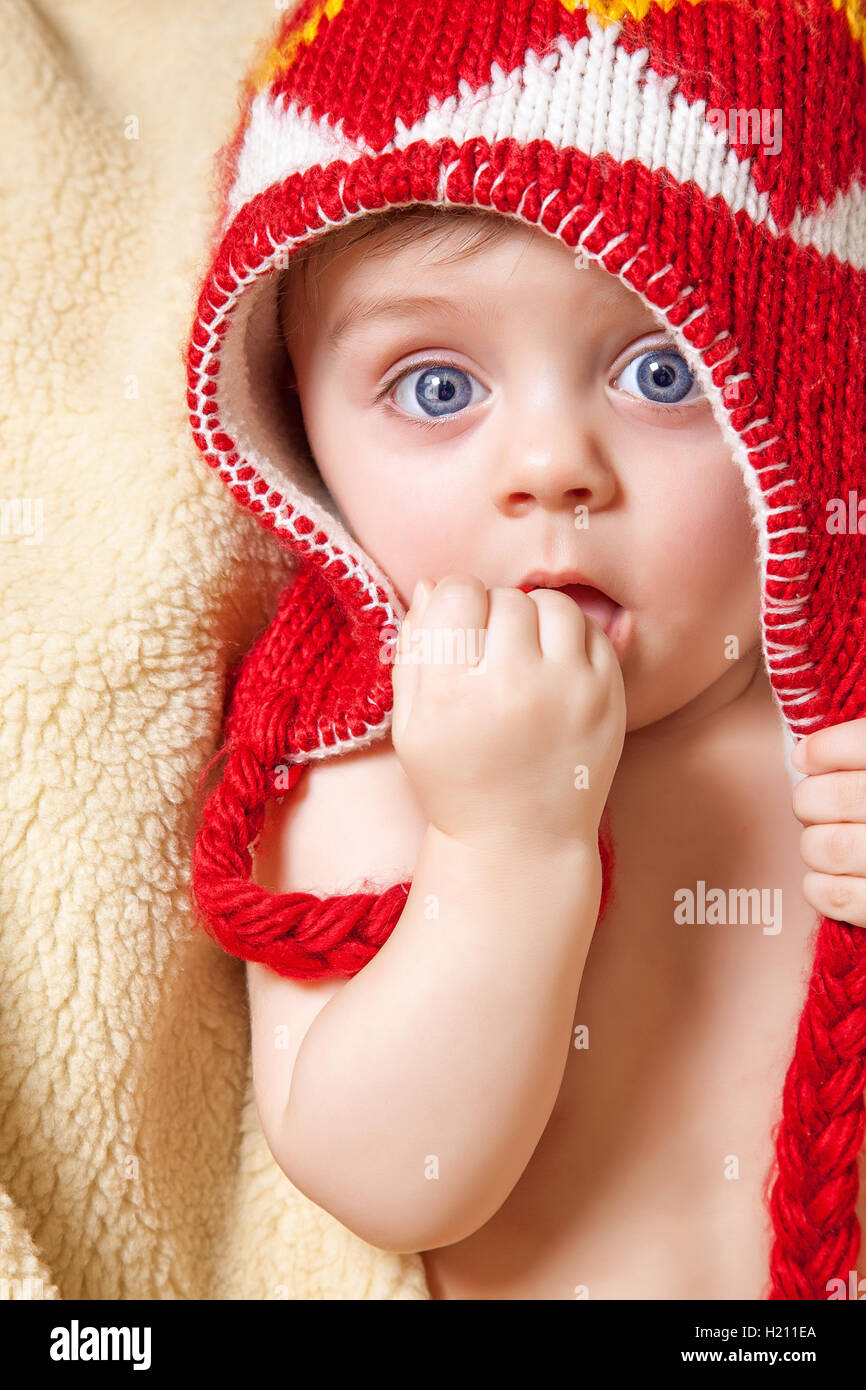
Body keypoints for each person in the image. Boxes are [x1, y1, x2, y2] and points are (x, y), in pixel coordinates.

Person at [185, 0, 866, 1299]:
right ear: (298, 429)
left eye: (663, 373)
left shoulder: (831, 702)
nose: (551, 468)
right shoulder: (381, 739)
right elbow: (393, 1175)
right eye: (436, 386)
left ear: (813, 390)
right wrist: (500, 845)